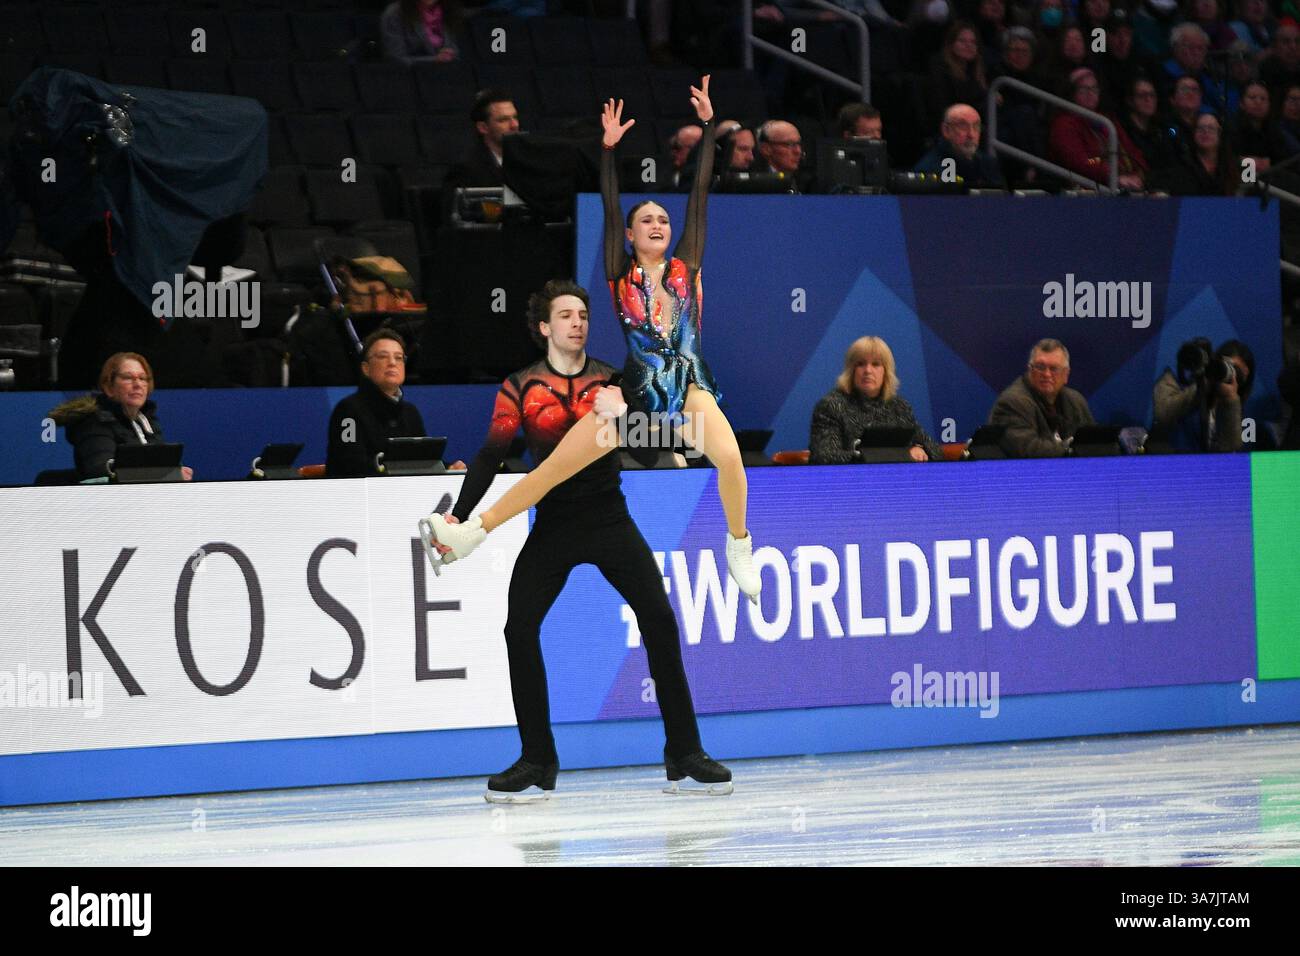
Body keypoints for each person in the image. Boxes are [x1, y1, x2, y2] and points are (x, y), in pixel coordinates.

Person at [421, 76, 764, 603]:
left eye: (662, 219)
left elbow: (699, 195)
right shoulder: (617, 270)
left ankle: (738, 543)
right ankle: (471, 532)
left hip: (688, 383)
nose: (657, 223)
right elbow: (608, 204)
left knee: (731, 457)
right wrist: (607, 151)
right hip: (637, 394)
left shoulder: (685, 264)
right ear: (629, 235)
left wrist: (709, 126)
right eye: (645, 219)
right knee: (554, 467)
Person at [439, 279, 731, 800]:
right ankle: (537, 759)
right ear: (544, 327)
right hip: (553, 524)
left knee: (660, 621)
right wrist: (460, 519)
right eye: (567, 315)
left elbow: (646, 452)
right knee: (519, 628)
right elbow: (491, 457)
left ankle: (684, 752)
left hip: (608, 517)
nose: (578, 322)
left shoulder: (613, 380)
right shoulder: (519, 387)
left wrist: (631, 416)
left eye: (584, 314)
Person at [326, 329, 463, 477]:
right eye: (383, 357)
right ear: (366, 368)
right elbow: (348, 465)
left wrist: (448, 468)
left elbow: (421, 462)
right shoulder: (348, 412)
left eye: (398, 358)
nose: (392, 363)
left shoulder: (410, 413)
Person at [49, 352, 193, 482]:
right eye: (128, 378)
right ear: (109, 387)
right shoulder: (94, 421)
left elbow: (162, 463)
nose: (138, 384)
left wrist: (174, 471)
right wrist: (168, 475)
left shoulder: (146, 420)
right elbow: (104, 472)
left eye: (143, 378)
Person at [809, 336, 941, 464]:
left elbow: (935, 449)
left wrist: (920, 449)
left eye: (876, 364)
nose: (868, 370)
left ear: (886, 371)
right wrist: (897, 455)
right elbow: (824, 456)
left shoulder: (899, 407)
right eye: (860, 364)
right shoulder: (831, 406)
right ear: (851, 370)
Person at [988, 338, 1095, 457]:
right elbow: (1027, 449)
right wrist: (1070, 450)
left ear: (1066, 375)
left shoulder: (1075, 400)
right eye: (1040, 367)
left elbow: (1092, 442)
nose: (1047, 374)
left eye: (1054, 369)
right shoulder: (1012, 402)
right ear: (1030, 370)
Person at [1048, 67, 1148, 189]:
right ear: (1072, 93)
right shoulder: (1064, 124)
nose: (1091, 93)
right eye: (1084, 89)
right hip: (1093, 189)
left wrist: (1138, 174)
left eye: (1094, 88)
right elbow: (1082, 162)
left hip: (1125, 183)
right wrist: (1114, 177)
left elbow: (1132, 152)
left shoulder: (1107, 121)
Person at [1152, 338, 1255, 451]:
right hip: (1173, 463)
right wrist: (1206, 382)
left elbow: (1230, 447)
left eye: (1238, 374)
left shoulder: (1236, 406)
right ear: (1218, 359)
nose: (1231, 373)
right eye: (1230, 366)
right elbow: (1161, 415)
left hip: (1210, 467)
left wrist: (1230, 400)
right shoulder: (1179, 379)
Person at [440, 88, 519, 220]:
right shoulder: (465, 168)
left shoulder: (528, 160)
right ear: (483, 127)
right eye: (503, 120)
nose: (514, 125)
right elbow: (461, 215)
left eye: (515, 117)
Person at [913, 103, 1007, 187]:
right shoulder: (929, 170)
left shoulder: (988, 163)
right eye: (963, 126)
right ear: (946, 130)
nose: (971, 134)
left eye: (976, 126)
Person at [380, 0, 460, 63]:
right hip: (411, 77)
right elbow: (396, 58)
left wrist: (450, 54)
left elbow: (454, 49)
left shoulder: (447, 10)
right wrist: (435, 59)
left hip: (447, 73)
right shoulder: (394, 13)